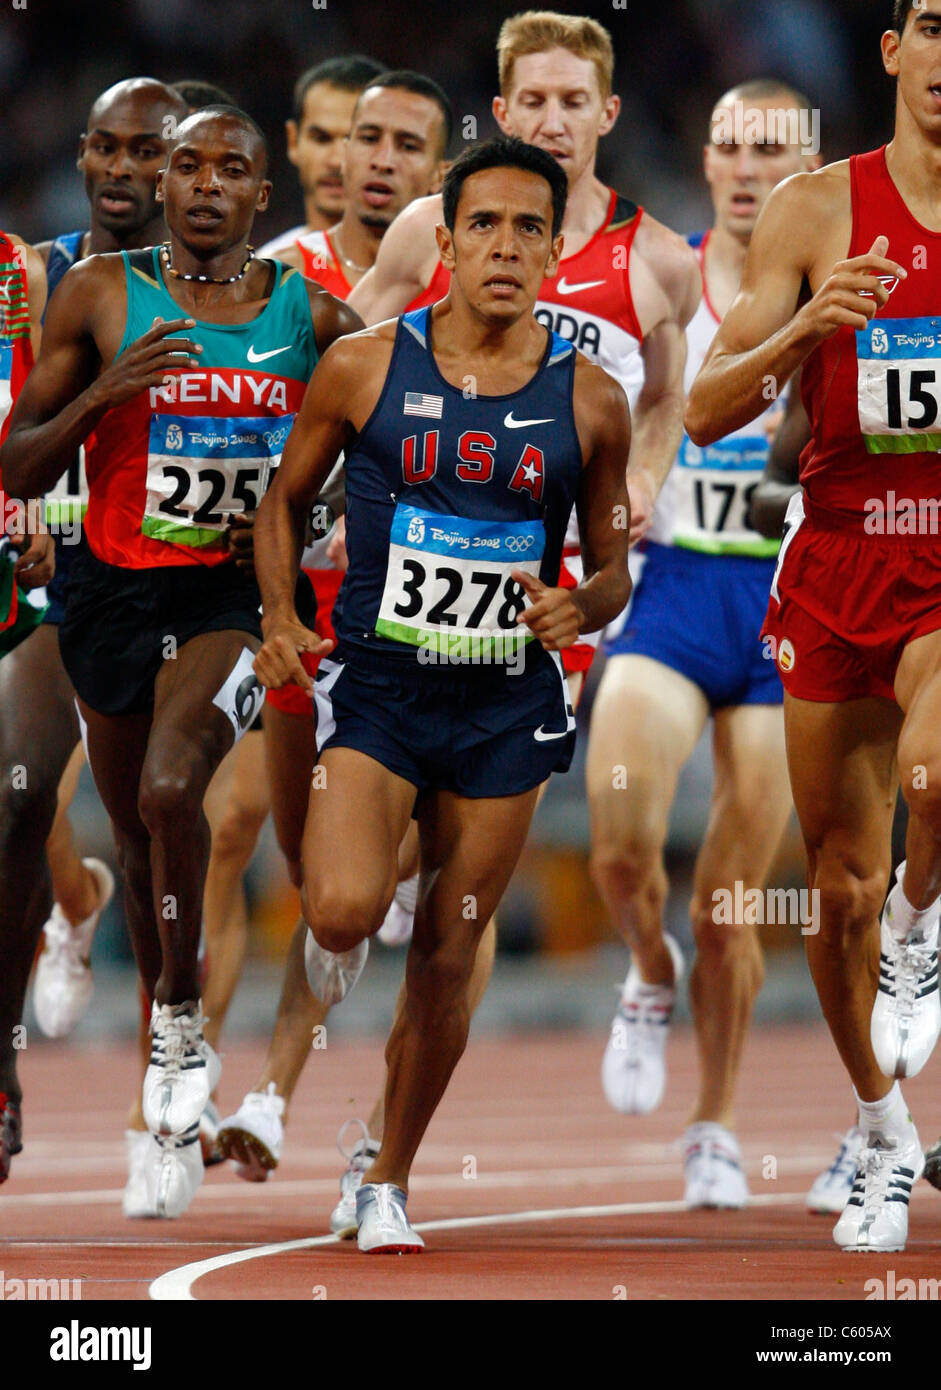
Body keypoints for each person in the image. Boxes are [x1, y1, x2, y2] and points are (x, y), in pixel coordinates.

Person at [253, 134, 632, 1252]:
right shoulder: (366, 366)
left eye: (528, 228)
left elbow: (610, 560)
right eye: (484, 225)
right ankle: (351, 943)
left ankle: (387, 1175)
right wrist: (280, 616)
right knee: (336, 909)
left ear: (555, 250)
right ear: (446, 240)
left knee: (451, 953)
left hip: (504, 709)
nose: (505, 246)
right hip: (374, 692)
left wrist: (583, 604)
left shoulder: (592, 401)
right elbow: (282, 502)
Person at [1, 104, 361, 1216]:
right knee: (135, 837)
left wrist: (327, 514)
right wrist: (107, 394)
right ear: (163, 187)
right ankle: (168, 1021)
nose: (205, 185)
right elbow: (14, 461)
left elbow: (374, 444)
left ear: (263, 198)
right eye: (187, 166)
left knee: (172, 788)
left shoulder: (315, 316)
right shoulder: (100, 297)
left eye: (232, 170)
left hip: (232, 596)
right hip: (107, 594)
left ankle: (178, 1030)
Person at [686, 1, 941, 1252]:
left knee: (931, 777)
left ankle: (918, 923)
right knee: (834, 890)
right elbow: (698, 412)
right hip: (838, 555)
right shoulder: (809, 211)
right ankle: (883, 1138)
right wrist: (802, 327)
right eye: (936, 27)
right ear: (890, 50)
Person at [217, 72, 455, 1226]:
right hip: (308, 599)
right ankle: (256, 1067)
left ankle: (335, 1118)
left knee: (458, 880)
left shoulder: (475, 281)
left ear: (435, 178)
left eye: (404, 145)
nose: (371, 161)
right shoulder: (281, 282)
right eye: (358, 138)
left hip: (445, 627)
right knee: (312, 879)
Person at [589, 81, 821, 1209]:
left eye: (771, 151)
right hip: (674, 592)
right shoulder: (663, 276)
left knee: (734, 894)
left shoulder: (841, 283)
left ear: (809, 164)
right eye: (728, 145)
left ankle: (715, 1123)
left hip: (784, 612)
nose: (746, 169)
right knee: (620, 832)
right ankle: (644, 968)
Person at [0, 79, 190, 1189]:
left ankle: (159, 1105)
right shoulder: (27, 277)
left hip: (170, 593)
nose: (123, 171)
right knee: (20, 797)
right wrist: (22, 515)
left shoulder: (235, 296)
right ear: (82, 155)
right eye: (105, 150)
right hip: (56, 572)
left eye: (148, 152)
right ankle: (4, 1069)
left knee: (152, 826)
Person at [0, 229, 50, 1180]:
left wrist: (42, 512)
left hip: (5, 579)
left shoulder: (12, 267)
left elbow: (29, 402)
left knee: (10, 816)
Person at [259, 55, 387, 258]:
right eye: (321, 139)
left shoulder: (431, 269)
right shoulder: (266, 276)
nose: (336, 162)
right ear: (293, 141)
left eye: (355, 140)